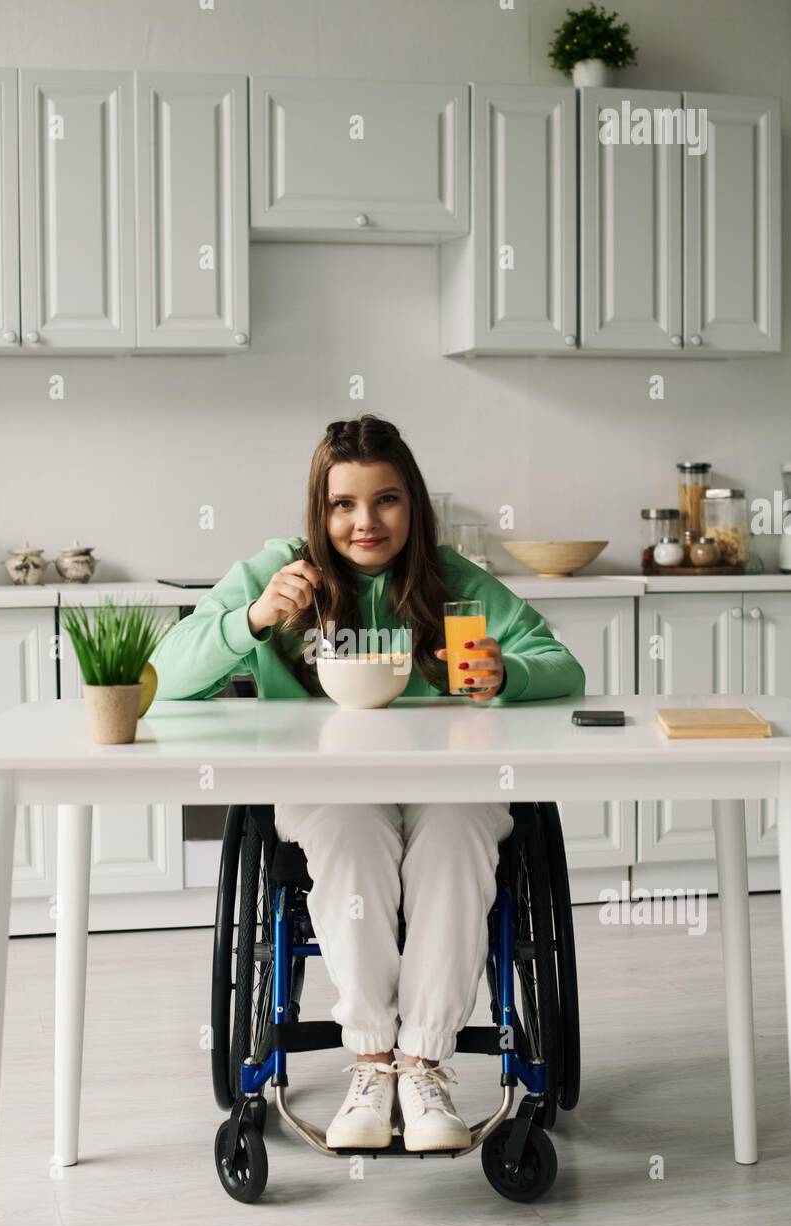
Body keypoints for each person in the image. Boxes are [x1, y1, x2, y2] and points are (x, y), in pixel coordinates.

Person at [150, 415, 585, 1151]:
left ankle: (424, 1063)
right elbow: (164, 678)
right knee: (351, 834)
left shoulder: (451, 580)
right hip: (329, 783)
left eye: (385, 500)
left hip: (444, 781)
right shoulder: (279, 572)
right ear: (319, 511)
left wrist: (508, 674)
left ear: (412, 504)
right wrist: (252, 620)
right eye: (342, 503)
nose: (364, 522)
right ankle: (372, 1057)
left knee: (458, 836)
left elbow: (563, 664)